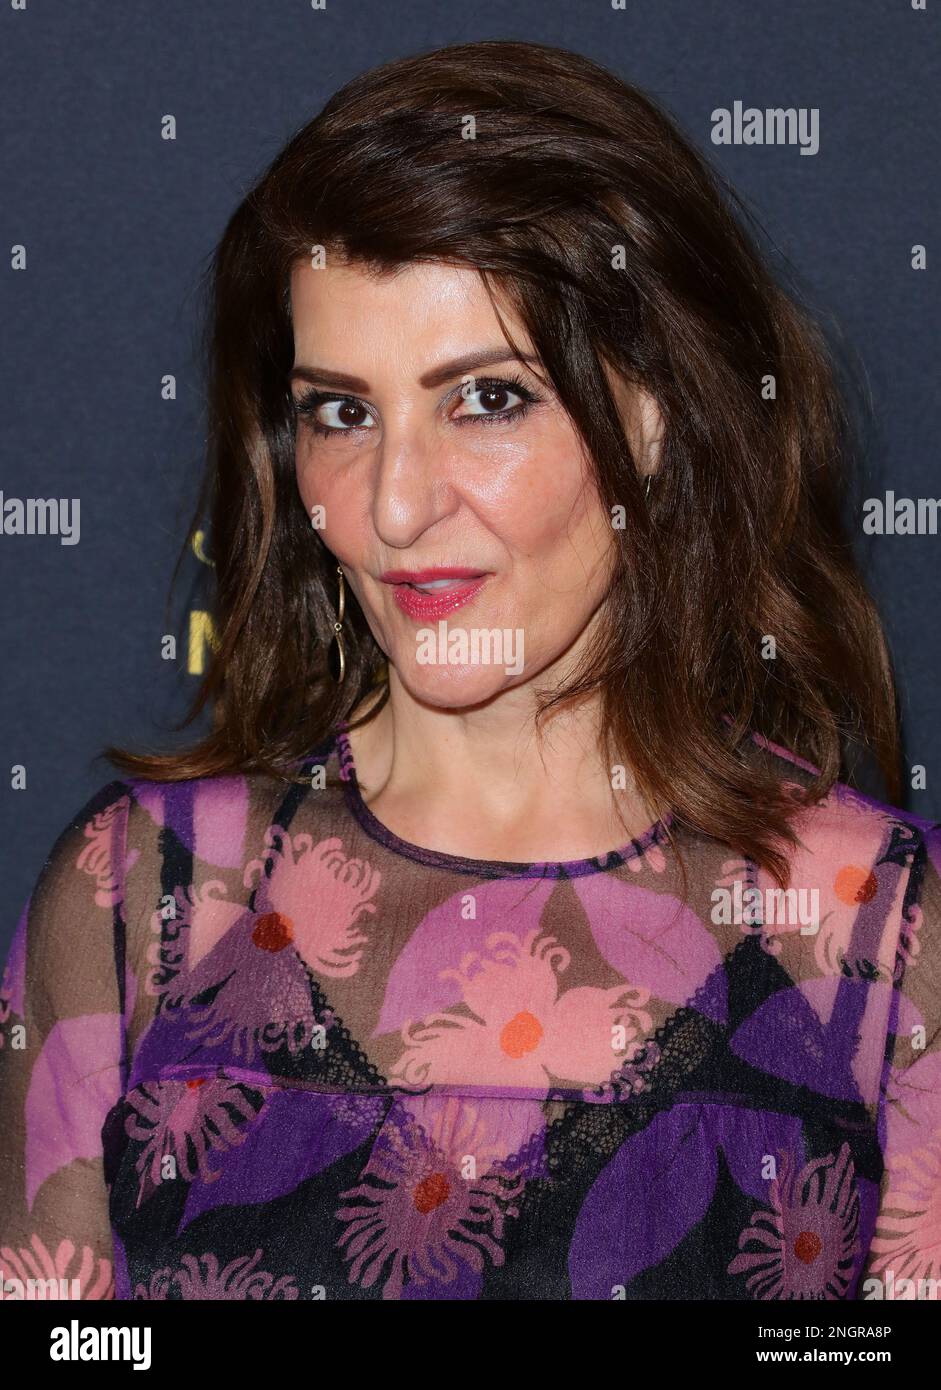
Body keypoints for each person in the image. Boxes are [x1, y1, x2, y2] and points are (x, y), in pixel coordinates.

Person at [1, 39, 938, 1303]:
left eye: (486, 399)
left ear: (654, 416)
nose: (392, 505)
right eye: (341, 411)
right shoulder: (145, 901)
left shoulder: (870, 935)